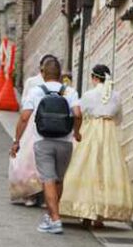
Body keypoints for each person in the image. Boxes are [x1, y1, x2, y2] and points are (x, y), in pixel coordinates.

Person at [11, 55, 81, 235]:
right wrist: (77, 132)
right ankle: (51, 216)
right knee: (58, 179)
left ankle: (55, 219)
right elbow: (78, 114)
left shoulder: (36, 91)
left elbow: (24, 117)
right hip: (65, 142)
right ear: (59, 75)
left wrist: (17, 141)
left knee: (47, 179)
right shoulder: (69, 91)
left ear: (43, 73)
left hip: (43, 141)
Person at [60, 64, 133, 226]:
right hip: (109, 133)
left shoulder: (88, 94)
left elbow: (80, 112)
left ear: (94, 78)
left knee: (87, 168)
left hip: (91, 130)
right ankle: (100, 215)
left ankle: (86, 213)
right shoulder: (116, 95)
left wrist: (78, 130)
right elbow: (119, 118)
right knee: (107, 169)